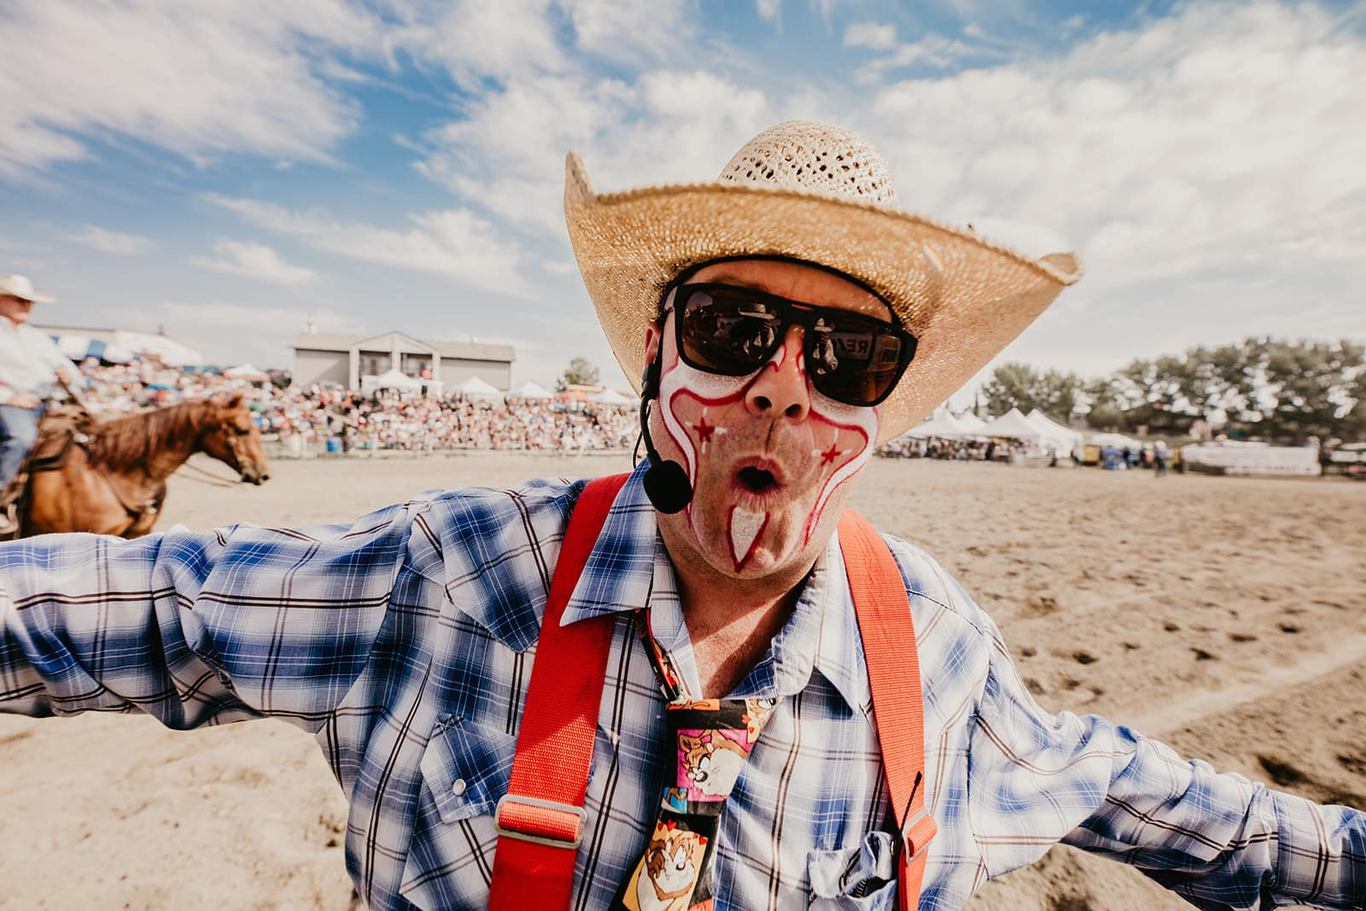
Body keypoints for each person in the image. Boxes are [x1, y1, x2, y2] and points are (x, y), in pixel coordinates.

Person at [1, 123, 1361, 910]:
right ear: (656, 353)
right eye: (731, 329)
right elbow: (144, 602)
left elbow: (1128, 787)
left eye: (845, 356)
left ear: (882, 408)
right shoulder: (449, 576)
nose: (780, 385)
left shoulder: (934, 651)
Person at [0, 274, 78, 533]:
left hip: (45, 402)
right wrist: (9, 398)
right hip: (9, 404)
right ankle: (1, 496)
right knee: (21, 438)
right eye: (18, 299)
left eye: (29, 301)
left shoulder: (36, 337)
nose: (26, 305)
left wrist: (68, 375)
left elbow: (65, 365)